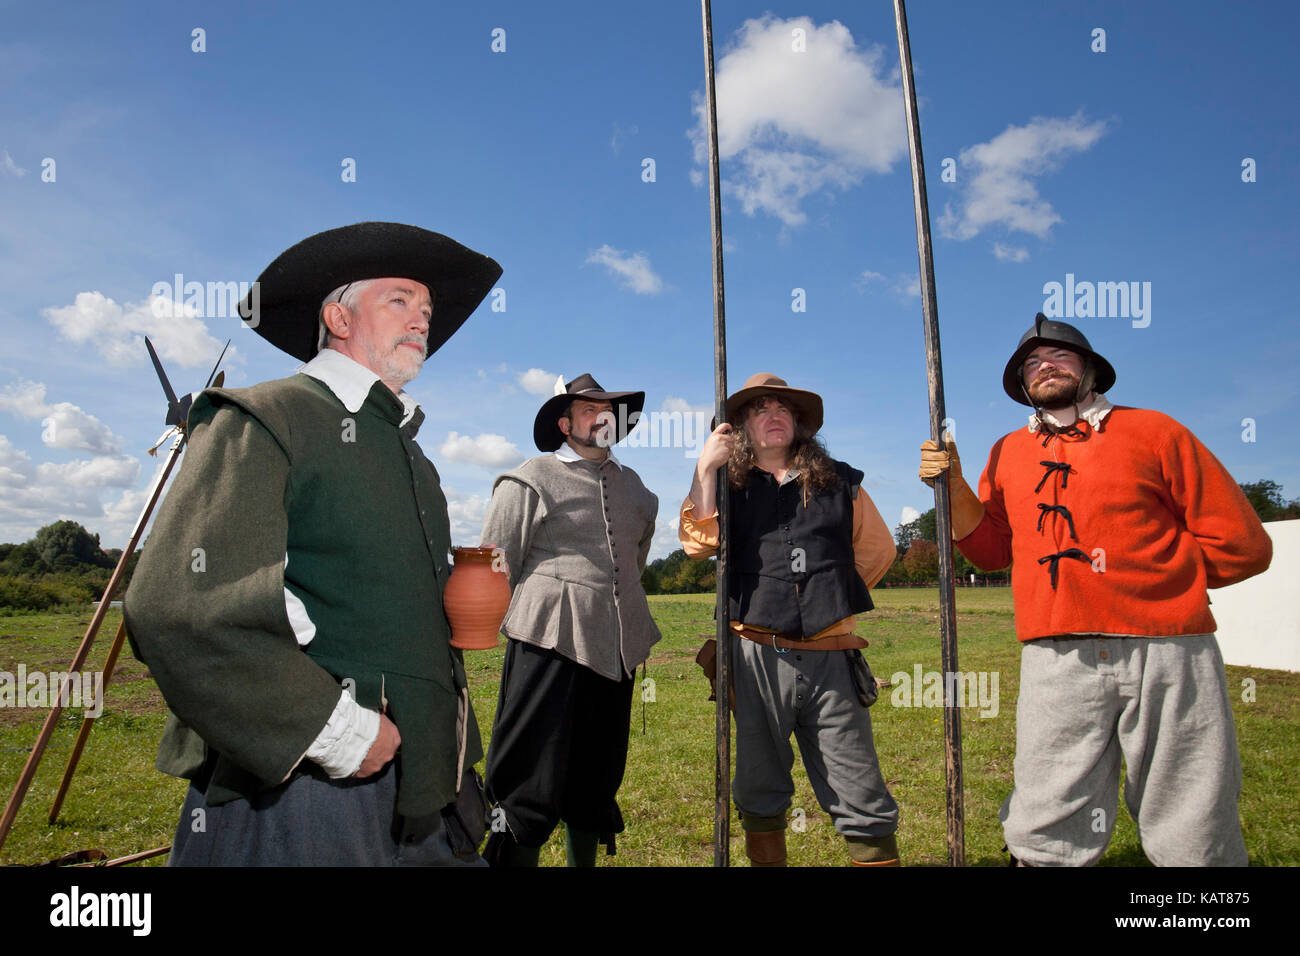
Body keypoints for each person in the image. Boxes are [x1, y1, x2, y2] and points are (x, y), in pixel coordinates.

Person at [124, 222, 502, 865]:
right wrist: (338, 734)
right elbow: (180, 606)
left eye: (428, 310)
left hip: (422, 782)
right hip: (307, 794)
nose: (422, 321)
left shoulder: (412, 455)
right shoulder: (266, 416)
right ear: (339, 317)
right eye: (401, 301)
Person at [918, 314, 1272, 866]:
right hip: (1056, 650)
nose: (1044, 366)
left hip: (1169, 646)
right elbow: (989, 552)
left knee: (1190, 798)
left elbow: (1243, 544)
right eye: (1031, 363)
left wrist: (1162, 588)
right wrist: (955, 483)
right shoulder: (1007, 450)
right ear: (1022, 385)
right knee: (1049, 793)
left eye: (1058, 355)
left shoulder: (1156, 430)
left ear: (1089, 369)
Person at [680, 373, 900, 867]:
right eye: (760, 410)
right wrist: (704, 471)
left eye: (782, 409)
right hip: (753, 654)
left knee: (861, 789)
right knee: (759, 785)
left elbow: (877, 551)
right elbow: (698, 545)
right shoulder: (725, 485)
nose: (773, 415)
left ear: (799, 425)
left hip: (832, 657)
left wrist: (827, 595)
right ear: (739, 428)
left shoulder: (841, 481)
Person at [478, 373, 660, 866]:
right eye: (587, 410)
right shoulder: (530, 478)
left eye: (610, 411)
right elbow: (497, 564)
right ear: (564, 423)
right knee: (528, 780)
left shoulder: (638, 490)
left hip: (615, 645)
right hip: (547, 646)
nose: (602, 417)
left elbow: (634, 563)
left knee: (595, 781)